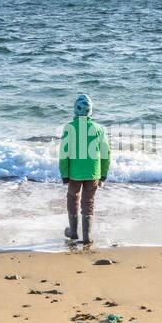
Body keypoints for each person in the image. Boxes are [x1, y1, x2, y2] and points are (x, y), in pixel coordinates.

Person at [58, 94, 111, 244]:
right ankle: (87, 236)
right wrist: (103, 175)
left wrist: (64, 174)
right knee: (88, 202)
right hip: (93, 172)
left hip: (74, 173)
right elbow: (106, 154)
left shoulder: (69, 128)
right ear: (90, 111)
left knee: (72, 198)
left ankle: (73, 232)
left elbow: (63, 154)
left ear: (75, 110)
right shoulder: (99, 129)